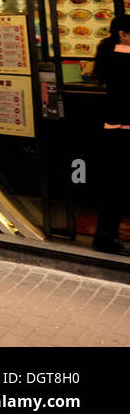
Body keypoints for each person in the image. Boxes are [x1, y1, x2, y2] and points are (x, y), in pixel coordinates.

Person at [92, 15, 130, 254]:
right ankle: (106, 237)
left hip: (114, 128)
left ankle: (106, 235)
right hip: (121, 131)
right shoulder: (119, 53)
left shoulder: (108, 49)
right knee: (118, 187)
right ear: (123, 34)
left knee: (117, 186)